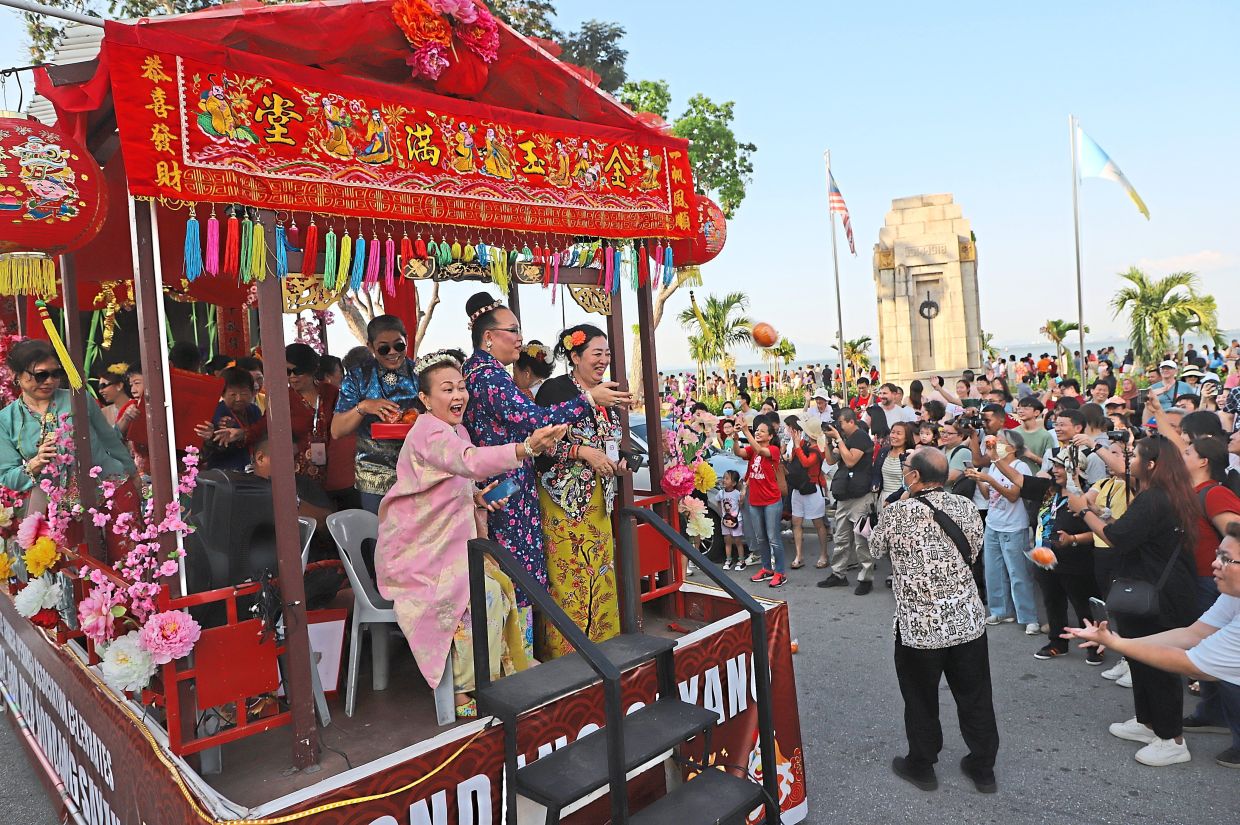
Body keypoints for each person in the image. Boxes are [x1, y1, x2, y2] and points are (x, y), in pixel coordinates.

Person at [375, 350, 565, 717]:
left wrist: (477, 498)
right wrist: (526, 448)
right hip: (419, 552)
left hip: (446, 546)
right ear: (425, 399)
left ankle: (499, 670)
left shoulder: (455, 430)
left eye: (461, 387)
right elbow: (469, 461)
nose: (458, 395)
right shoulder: (429, 431)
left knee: (499, 585)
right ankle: (464, 689)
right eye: (447, 389)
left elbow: (453, 483)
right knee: (481, 593)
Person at [461, 293, 629, 646]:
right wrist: (587, 404)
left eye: (606, 354)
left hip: (532, 487)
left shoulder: (488, 373)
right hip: (512, 488)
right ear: (488, 336)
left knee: (550, 575)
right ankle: (524, 660)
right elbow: (535, 422)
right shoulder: (488, 376)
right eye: (513, 330)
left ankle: (537, 654)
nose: (520, 339)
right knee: (518, 575)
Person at [869, 448, 998, 794]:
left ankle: (922, 764)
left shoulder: (897, 512)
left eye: (906, 468)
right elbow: (974, 550)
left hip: (919, 628)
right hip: (966, 621)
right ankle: (983, 768)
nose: (904, 471)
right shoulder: (966, 506)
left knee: (920, 698)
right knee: (975, 696)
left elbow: (875, 549)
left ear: (914, 476)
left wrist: (895, 506)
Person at [1066, 435, 1201, 766]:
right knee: (1140, 658)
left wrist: (1083, 511)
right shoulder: (1164, 494)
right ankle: (1148, 723)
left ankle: (1172, 739)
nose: (1129, 460)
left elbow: (1117, 538)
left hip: (1158, 595)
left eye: (1135, 456)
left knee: (1157, 665)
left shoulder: (1155, 497)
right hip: (1153, 589)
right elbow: (1132, 531)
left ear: (1151, 464)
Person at [1065, 521, 1240, 769]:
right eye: (1217, 555)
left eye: (1226, 559)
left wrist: (1117, 644)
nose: (1214, 563)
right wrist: (1119, 642)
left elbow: (1191, 665)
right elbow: (1193, 634)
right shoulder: (1233, 596)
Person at [533, 325, 630, 659]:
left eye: (607, 354)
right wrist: (581, 452)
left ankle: (604, 649)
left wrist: (616, 462)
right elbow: (539, 444)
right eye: (596, 353)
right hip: (563, 501)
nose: (604, 360)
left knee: (600, 574)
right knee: (569, 577)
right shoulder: (555, 390)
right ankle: (567, 657)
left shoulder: (607, 395)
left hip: (599, 501)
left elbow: (608, 442)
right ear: (575, 356)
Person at [0, 340, 136, 494]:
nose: (49, 381)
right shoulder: (5, 420)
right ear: (15, 375)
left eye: (56, 374)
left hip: (108, 490)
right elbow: (9, 477)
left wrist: (135, 479)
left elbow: (111, 441)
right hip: (55, 503)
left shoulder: (79, 399)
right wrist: (36, 463)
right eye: (40, 375)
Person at [332, 315, 420, 514]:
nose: (393, 352)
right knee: (379, 531)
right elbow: (336, 430)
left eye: (399, 346)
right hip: (373, 473)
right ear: (370, 347)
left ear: (406, 340)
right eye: (383, 348)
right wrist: (363, 407)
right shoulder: (358, 377)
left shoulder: (420, 374)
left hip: (417, 470)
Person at [1031, 453, 1103, 663]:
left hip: (1076, 561)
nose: (1055, 470)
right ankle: (1057, 643)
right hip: (1045, 558)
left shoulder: (1088, 495)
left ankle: (1095, 645)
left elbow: (1101, 532)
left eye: (1061, 466)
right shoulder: (1049, 492)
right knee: (1053, 603)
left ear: (1076, 471)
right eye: (1054, 466)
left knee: (1083, 606)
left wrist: (1073, 539)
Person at [967, 430, 1040, 634]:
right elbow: (987, 495)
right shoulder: (993, 465)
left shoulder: (1020, 466)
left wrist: (989, 480)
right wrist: (978, 478)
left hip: (1014, 527)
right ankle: (1000, 611)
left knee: (1019, 574)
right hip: (993, 524)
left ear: (1013, 447)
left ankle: (1029, 617)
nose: (996, 444)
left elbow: (1013, 495)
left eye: (1000, 441)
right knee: (993, 571)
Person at [819, 407, 877, 594]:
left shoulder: (861, 437)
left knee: (861, 541)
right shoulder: (844, 438)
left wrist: (838, 439)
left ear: (851, 421)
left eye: (841, 423)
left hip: (860, 497)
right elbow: (830, 461)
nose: (839, 426)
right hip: (844, 496)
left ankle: (866, 579)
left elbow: (851, 461)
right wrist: (828, 441)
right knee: (841, 538)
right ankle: (838, 574)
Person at [735, 417, 787, 588]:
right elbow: (739, 453)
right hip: (755, 501)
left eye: (761, 431)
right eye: (756, 430)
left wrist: (746, 431)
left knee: (773, 538)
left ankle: (780, 572)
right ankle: (767, 569)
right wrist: (735, 439)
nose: (757, 432)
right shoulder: (752, 449)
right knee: (761, 538)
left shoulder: (773, 450)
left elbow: (760, 450)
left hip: (771, 501)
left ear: (770, 436)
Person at [196, 367, 262, 472]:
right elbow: (209, 450)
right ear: (223, 394)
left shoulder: (255, 410)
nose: (239, 398)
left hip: (252, 468)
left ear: (252, 392)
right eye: (233, 394)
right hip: (224, 472)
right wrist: (212, 436)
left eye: (244, 393)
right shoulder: (214, 412)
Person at [784, 416, 828, 570]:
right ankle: (799, 556)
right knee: (796, 522)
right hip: (799, 487)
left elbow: (806, 462)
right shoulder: (804, 444)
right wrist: (796, 442)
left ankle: (824, 554)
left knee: (818, 523)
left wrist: (797, 446)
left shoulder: (818, 449)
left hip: (813, 488)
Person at [719, 469, 746, 571]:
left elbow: (741, 504)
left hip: (736, 520)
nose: (724, 480)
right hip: (725, 521)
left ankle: (741, 560)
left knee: (738, 540)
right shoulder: (721, 493)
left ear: (734, 483)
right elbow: (718, 501)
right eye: (724, 478)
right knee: (727, 540)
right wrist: (722, 514)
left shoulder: (737, 493)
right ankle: (728, 560)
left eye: (727, 478)